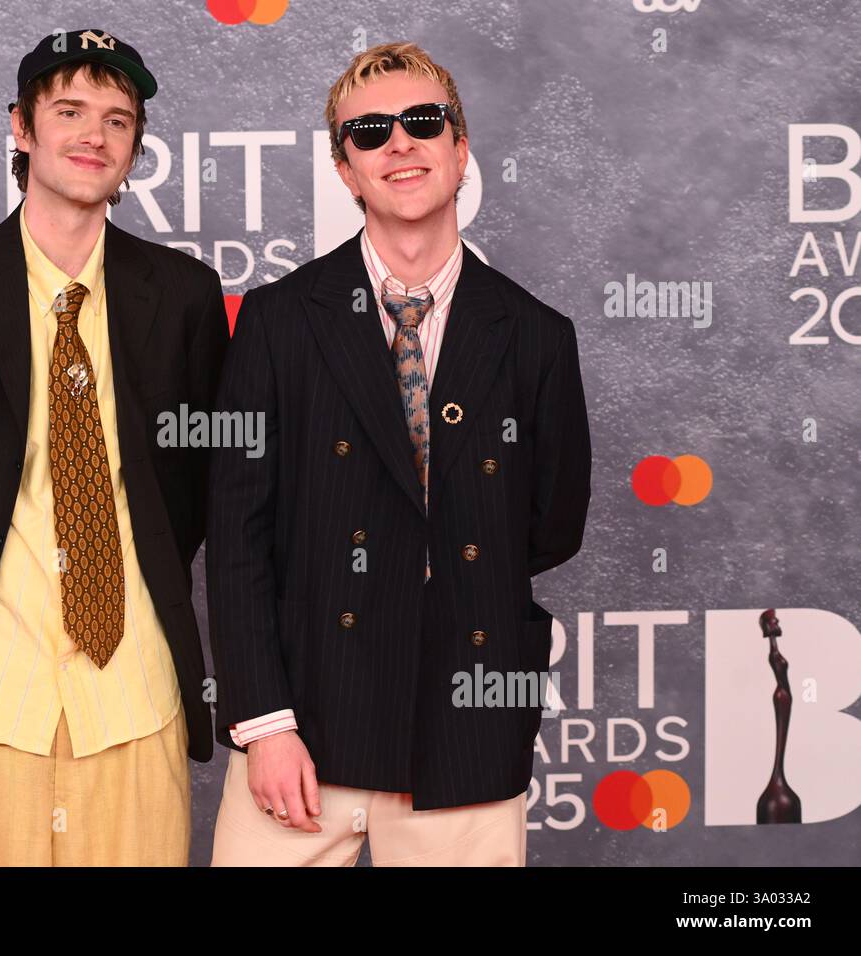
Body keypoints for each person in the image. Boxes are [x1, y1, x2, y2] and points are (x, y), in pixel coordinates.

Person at [206, 41, 592, 866]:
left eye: (424, 122)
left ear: (461, 148)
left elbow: (552, 527)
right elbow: (236, 539)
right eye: (369, 132)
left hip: (465, 724)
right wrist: (266, 726)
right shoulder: (279, 322)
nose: (399, 144)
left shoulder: (536, 338)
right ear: (346, 171)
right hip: (302, 728)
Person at [0, 29, 229, 866]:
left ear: (135, 149)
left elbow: (200, 490)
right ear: (21, 127)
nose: (95, 134)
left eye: (118, 119)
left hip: (133, 700)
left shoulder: (185, 297)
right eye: (69, 110)